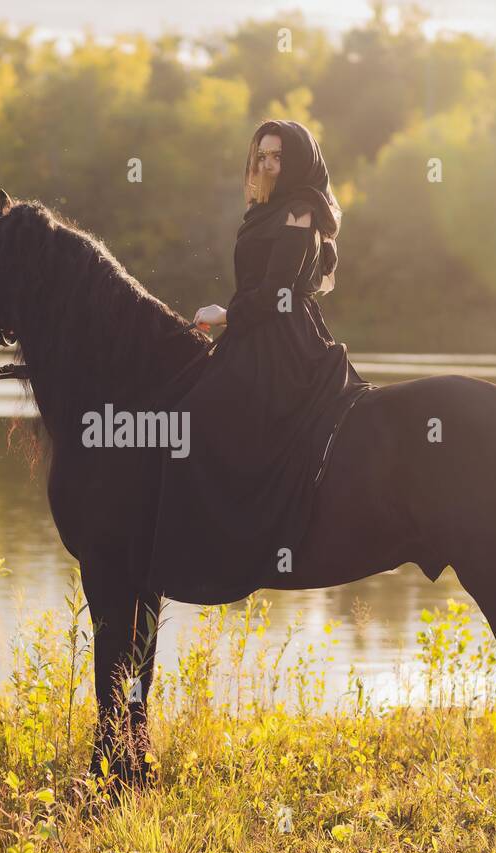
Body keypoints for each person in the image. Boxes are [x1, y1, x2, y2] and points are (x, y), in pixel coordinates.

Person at [147, 119, 369, 604]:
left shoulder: (300, 211)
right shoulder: (265, 210)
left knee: (193, 419)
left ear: (299, 162)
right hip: (255, 334)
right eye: (262, 156)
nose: (268, 165)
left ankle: (221, 547)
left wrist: (225, 314)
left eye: (278, 157)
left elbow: (280, 290)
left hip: (281, 341)